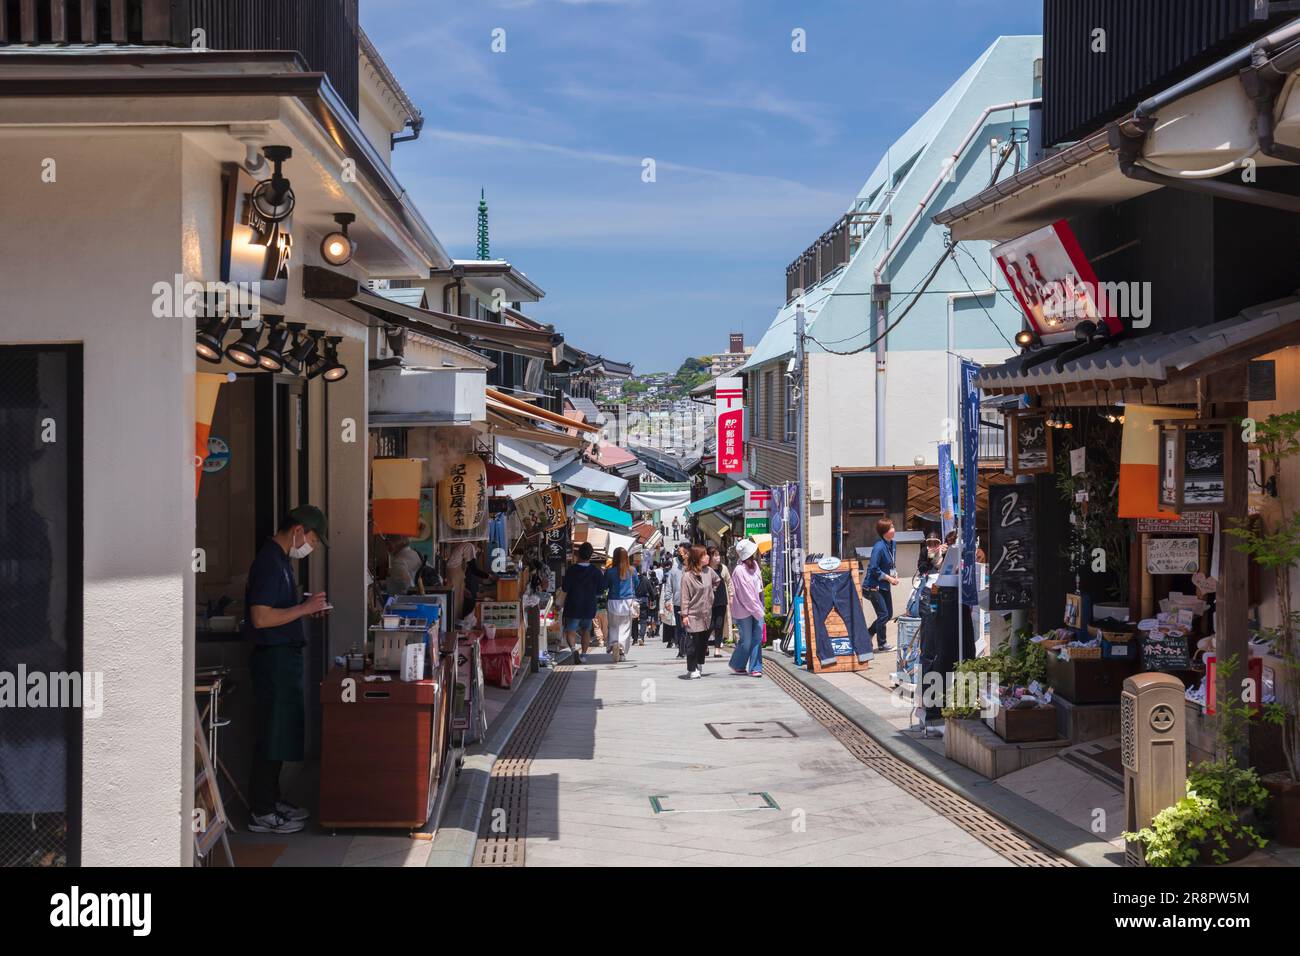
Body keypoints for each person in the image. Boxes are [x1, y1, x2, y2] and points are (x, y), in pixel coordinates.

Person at [243, 504, 331, 834]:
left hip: (282, 657)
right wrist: (304, 607)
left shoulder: (280, 561)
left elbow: (279, 612)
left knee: (279, 733)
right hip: (272, 659)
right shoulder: (269, 561)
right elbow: (261, 617)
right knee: (270, 733)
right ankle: (261, 811)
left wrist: (305, 610)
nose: (312, 546)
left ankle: (273, 799)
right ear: (297, 531)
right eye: (312, 539)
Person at [560, 542, 605, 663]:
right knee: (586, 630)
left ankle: (574, 649)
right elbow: (601, 591)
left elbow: (565, 588)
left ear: (578, 554)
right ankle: (584, 655)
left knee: (571, 630)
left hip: (573, 605)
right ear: (591, 555)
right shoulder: (596, 572)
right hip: (589, 605)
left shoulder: (572, 570)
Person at [680, 545, 720, 679]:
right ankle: (692, 669)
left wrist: (711, 594)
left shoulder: (708, 571)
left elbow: (717, 581)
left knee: (702, 642)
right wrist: (684, 615)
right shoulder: (687, 576)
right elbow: (685, 597)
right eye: (704, 555)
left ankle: (698, 663)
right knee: (692, 643)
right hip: (692, 614)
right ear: (697, 558)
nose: (707, 557)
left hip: (706, 614)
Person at [728, 538, 765, 677]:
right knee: (747, 640)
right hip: (744, 610)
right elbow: (746, 596)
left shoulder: (755, 566)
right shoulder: (739, 571)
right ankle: (738, 664)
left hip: (757, 607)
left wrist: (761, 607)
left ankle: (756, 667)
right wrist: (758, 611)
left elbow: (759, 587)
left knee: (757, 639)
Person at [863, 518, 900, 652]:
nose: (894, 529)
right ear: (884, 532)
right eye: (891, 527)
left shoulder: (892, 544)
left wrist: (895, 575)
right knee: (883, 614)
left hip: (884, 585)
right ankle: (882, 644)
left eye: (893, 526)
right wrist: (889, 578)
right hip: (873, 586)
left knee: (888, 614)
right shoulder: (878, 547)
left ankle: (869, 633)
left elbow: (890, 564)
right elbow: (873, 568)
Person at [602, 547, 641, 663]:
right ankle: (621, 650)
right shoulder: (632, 570)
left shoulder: (610, 571)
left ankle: (614, 642)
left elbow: (605, 586)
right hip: (628, 602)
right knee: (625, 627)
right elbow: (637, 584)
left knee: (614, 626)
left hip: (613, 601)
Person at [706, 545, 732, 659]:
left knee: (719, 625)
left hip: (721, 599)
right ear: (710, 557)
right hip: (708, 601)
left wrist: (731, 596)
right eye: (715, 555)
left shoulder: (723, 568)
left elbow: (729, 582)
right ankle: (705, 644)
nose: (718, 558)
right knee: (709, 625)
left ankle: (717, 649)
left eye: (718, 555)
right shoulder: (705, 569)